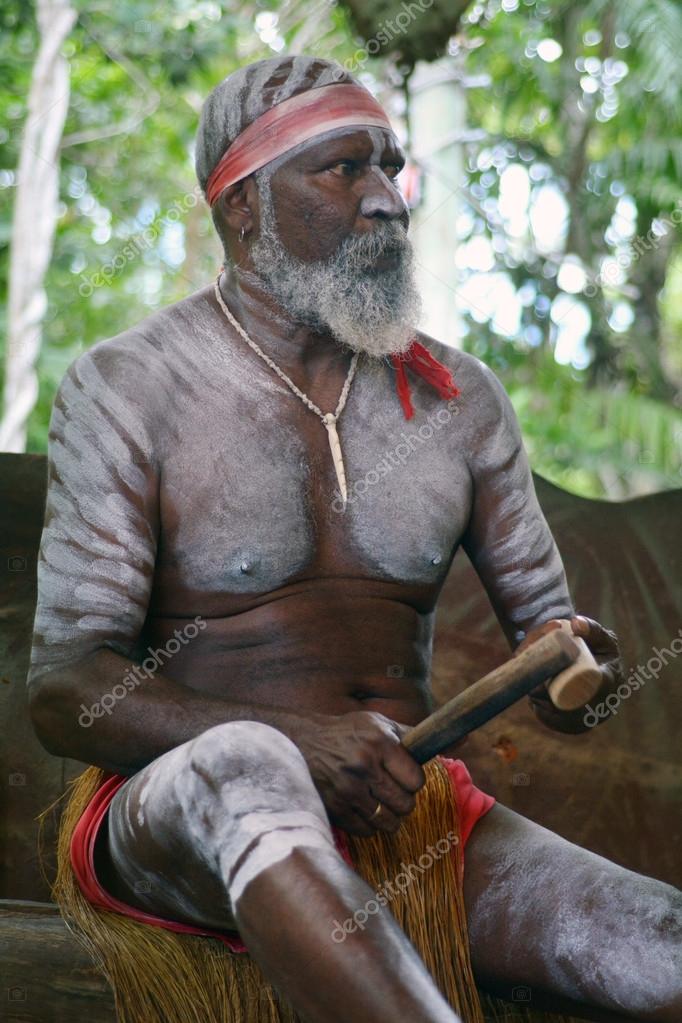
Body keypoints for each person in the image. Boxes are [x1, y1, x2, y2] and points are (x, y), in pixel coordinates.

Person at [27, 56, 681, 1023]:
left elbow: (557, 652)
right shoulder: (129, 386)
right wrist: (295, 741)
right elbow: (65, 687)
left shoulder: (459, 402)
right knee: (249, 761)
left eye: (392, 168)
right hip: (180, 814)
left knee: (660, 945)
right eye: (344, 170)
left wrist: (576, 675)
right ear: (243, 204)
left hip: (405, 823)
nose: (388, 202)